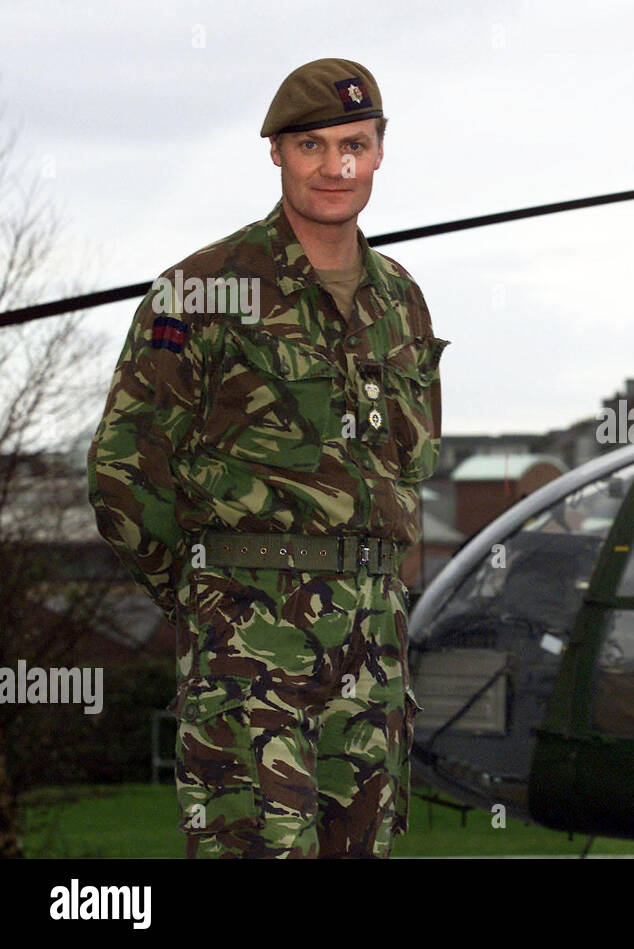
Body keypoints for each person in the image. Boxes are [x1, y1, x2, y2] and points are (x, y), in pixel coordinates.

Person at [87, 58, 447, 858]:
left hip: (374, 644)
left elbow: (407, 466)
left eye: (354, 143)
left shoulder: (401, 300)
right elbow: (122, 473)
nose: (335, 167)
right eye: (311, 144)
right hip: (250, 638)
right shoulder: (202, 290)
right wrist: (208, 594)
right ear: (277, 153)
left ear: (381, 151)